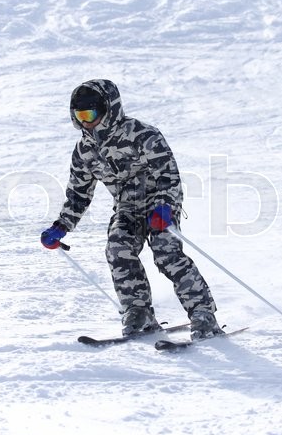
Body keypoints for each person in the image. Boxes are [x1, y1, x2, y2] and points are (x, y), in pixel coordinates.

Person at [40, 79, 223, 339]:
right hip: (127, 207)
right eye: (79, 116)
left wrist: (166, 207)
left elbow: (168, 176)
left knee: (166, 252)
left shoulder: (143, 135)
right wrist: (61, 226)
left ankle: (203, 315)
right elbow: (78, 194)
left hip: (159, 203)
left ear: (108, 109)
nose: (85, 122)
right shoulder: (84, 151)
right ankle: (139, 313)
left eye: (90, 114)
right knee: (117, 249)